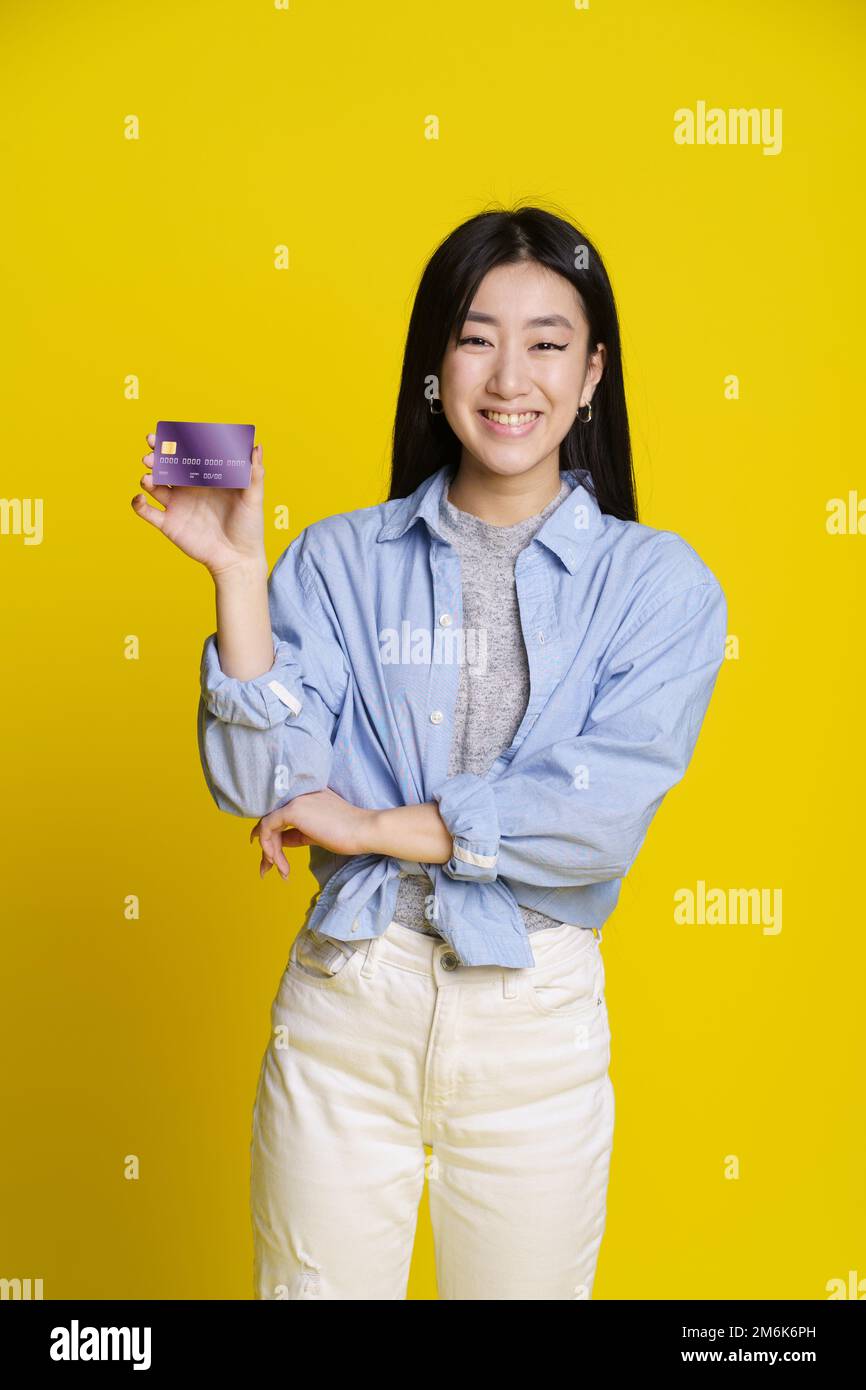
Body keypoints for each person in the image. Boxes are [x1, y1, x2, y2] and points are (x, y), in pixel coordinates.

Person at [132, 204, 727, 1300]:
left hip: (533, 1025)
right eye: (474, 336)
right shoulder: (338, 560)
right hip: (346, 1007)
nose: (511, 376)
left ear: (591, 374)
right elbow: (262, 784)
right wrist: (236, 581)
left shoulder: (659, 587)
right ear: (432, 365)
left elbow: (589, 815)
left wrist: (365, 826)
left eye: (547, 342)